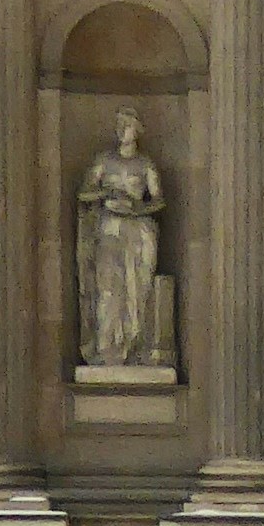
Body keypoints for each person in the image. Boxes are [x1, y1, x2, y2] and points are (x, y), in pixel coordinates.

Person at [75, 111, 166, 370]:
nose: (121, 130)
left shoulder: (145, 165)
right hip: (109, 228)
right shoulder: (104, 161)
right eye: (119, 125)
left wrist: (137, 207)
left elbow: (158, 200)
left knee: (137, 289)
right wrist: (107, 192)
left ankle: (135, 346)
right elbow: (84, 193)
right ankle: (106, 348)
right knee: (107, 286)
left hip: (137, 230)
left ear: (137, 130)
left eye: (126, 125)